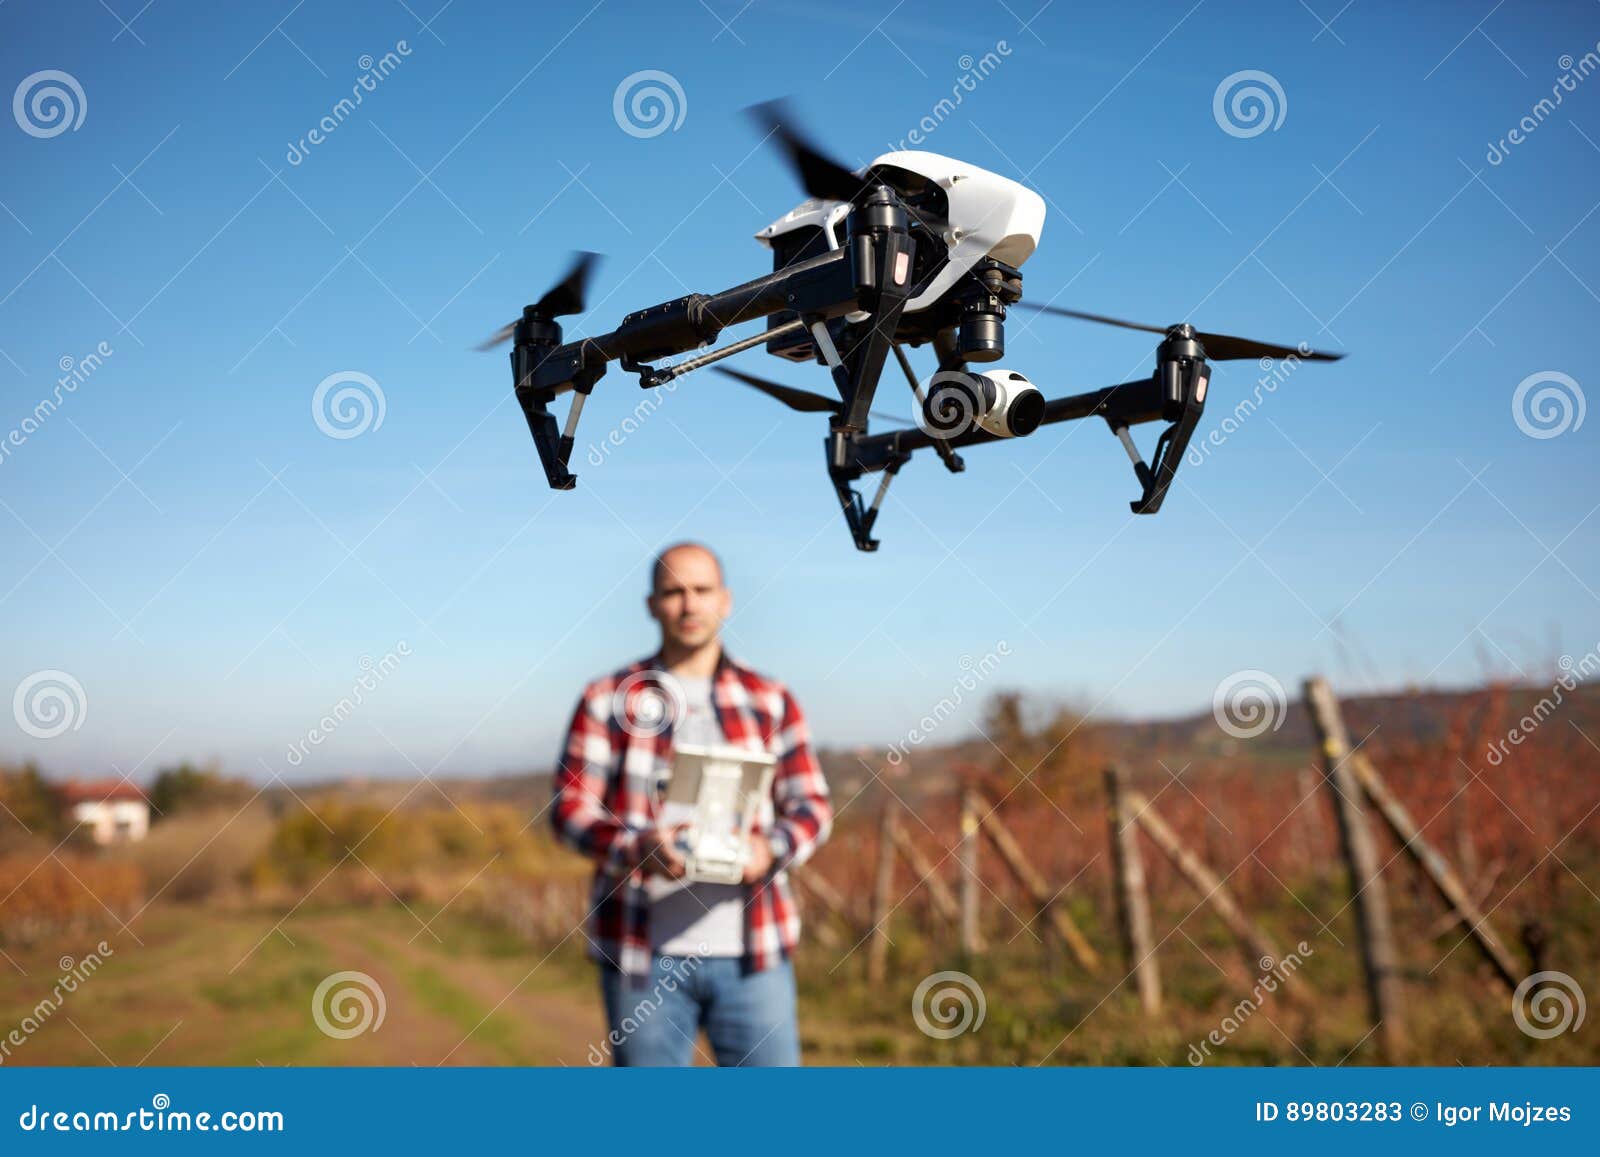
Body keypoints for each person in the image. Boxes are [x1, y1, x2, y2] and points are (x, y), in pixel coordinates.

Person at [551, 541, 832, 1066]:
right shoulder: (607, 698)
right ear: (652, 605)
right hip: (642, 955)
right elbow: (568, 811)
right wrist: (637, 848)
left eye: (701, 590)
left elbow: (812, 806)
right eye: (673, 592)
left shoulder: (771, 699)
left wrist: (769, 850)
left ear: (725, 600)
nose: (688, 604)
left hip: (754, 953)